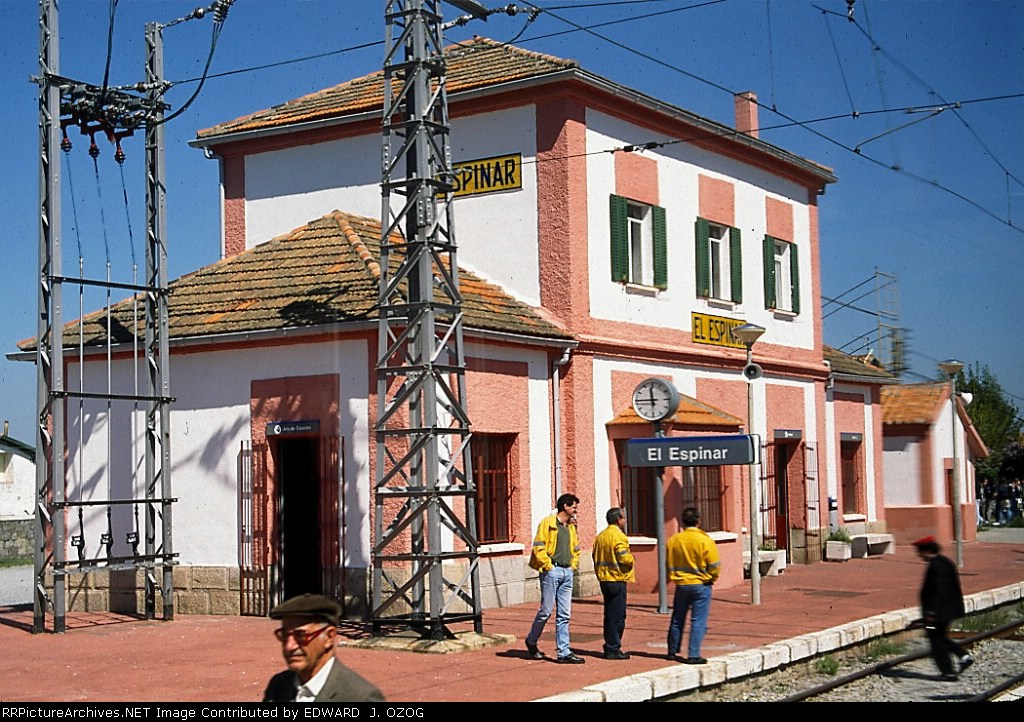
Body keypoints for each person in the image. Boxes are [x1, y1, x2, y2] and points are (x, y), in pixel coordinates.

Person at [263, 593, 385, 702]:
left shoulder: (361, 697)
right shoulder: (279, 685)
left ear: (329, 637)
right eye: (284, 635)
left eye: (301, 636)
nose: (290, 646)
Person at [525, 493, 583, 664]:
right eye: (573, 506)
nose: (575, 509)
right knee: (546, 611)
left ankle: (564, 652)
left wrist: (573, 565)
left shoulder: (571, 526)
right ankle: (531, 640)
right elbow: (538, 546)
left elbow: (576, 548)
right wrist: (549, 566)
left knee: (564, 614)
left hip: (567, 572)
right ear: (565, 506)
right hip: (552, 571)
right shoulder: (548, 523)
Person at [912, 536, 973, 681]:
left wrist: (931, 614)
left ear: (926, 551)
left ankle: (949, 670)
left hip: (939, 612)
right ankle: (961, 657)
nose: (918, 555)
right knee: (939, 638)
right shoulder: (944, 562)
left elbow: (939, 591)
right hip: (947, 610)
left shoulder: (936, 566)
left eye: (920, 552)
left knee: (936, 640)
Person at [665, 507, 720, 665]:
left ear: (683, 522)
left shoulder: (674, 540)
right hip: (701, 584)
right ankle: (693, 654)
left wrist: (676, 578)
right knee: (698, 620)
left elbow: (669, 563)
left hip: (682, 584)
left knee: (677, 618)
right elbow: (715, 565)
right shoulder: (705, 540)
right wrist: (711, 578)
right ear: (698, 521)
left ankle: (672, 650)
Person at [592, 507, 635, 660]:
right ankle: (613, 648)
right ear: (619, 519)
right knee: (617, 616)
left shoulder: (601, 536)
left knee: (609, 614)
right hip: (617, 579)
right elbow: (624, 558)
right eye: (623, 518)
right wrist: (632, 560)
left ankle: (610, 645)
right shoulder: (619, 537)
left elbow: (594, 556)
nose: (625, 520)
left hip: (604, 579)